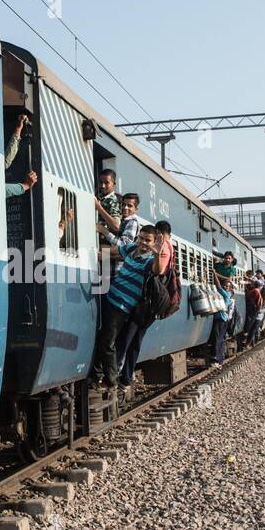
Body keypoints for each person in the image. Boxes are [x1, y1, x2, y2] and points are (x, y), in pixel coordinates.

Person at [91, 225, 165, 394]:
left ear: (153, 242)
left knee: (108, 341)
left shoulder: (149, 260)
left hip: (123, 306)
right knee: (101, 336)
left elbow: (158, 270)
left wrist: (157, 253)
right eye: (141, 238)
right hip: (110, 297)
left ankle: (111, 381)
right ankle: (96, 375)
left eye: (148, 240)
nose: (143, 243)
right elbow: (111, 253)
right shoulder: (132, 248)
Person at [116, 219, 176, 390]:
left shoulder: (164, 249)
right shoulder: (163, 247)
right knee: (135, 340)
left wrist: (154, 253)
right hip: (150, 302)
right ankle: (126, 376)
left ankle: (120, 374)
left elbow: (159, 270)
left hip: (147, 303)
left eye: (155, 237)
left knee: (128, 338)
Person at [93, 169, 122, 247]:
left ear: (114, 184)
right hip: (95, 242)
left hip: (106, 245)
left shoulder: (113, 200)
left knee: (106, 259)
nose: (103, 186)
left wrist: (99, 207)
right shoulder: (100, 196)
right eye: (101, 182)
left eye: (106, 183)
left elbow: (116, 226)